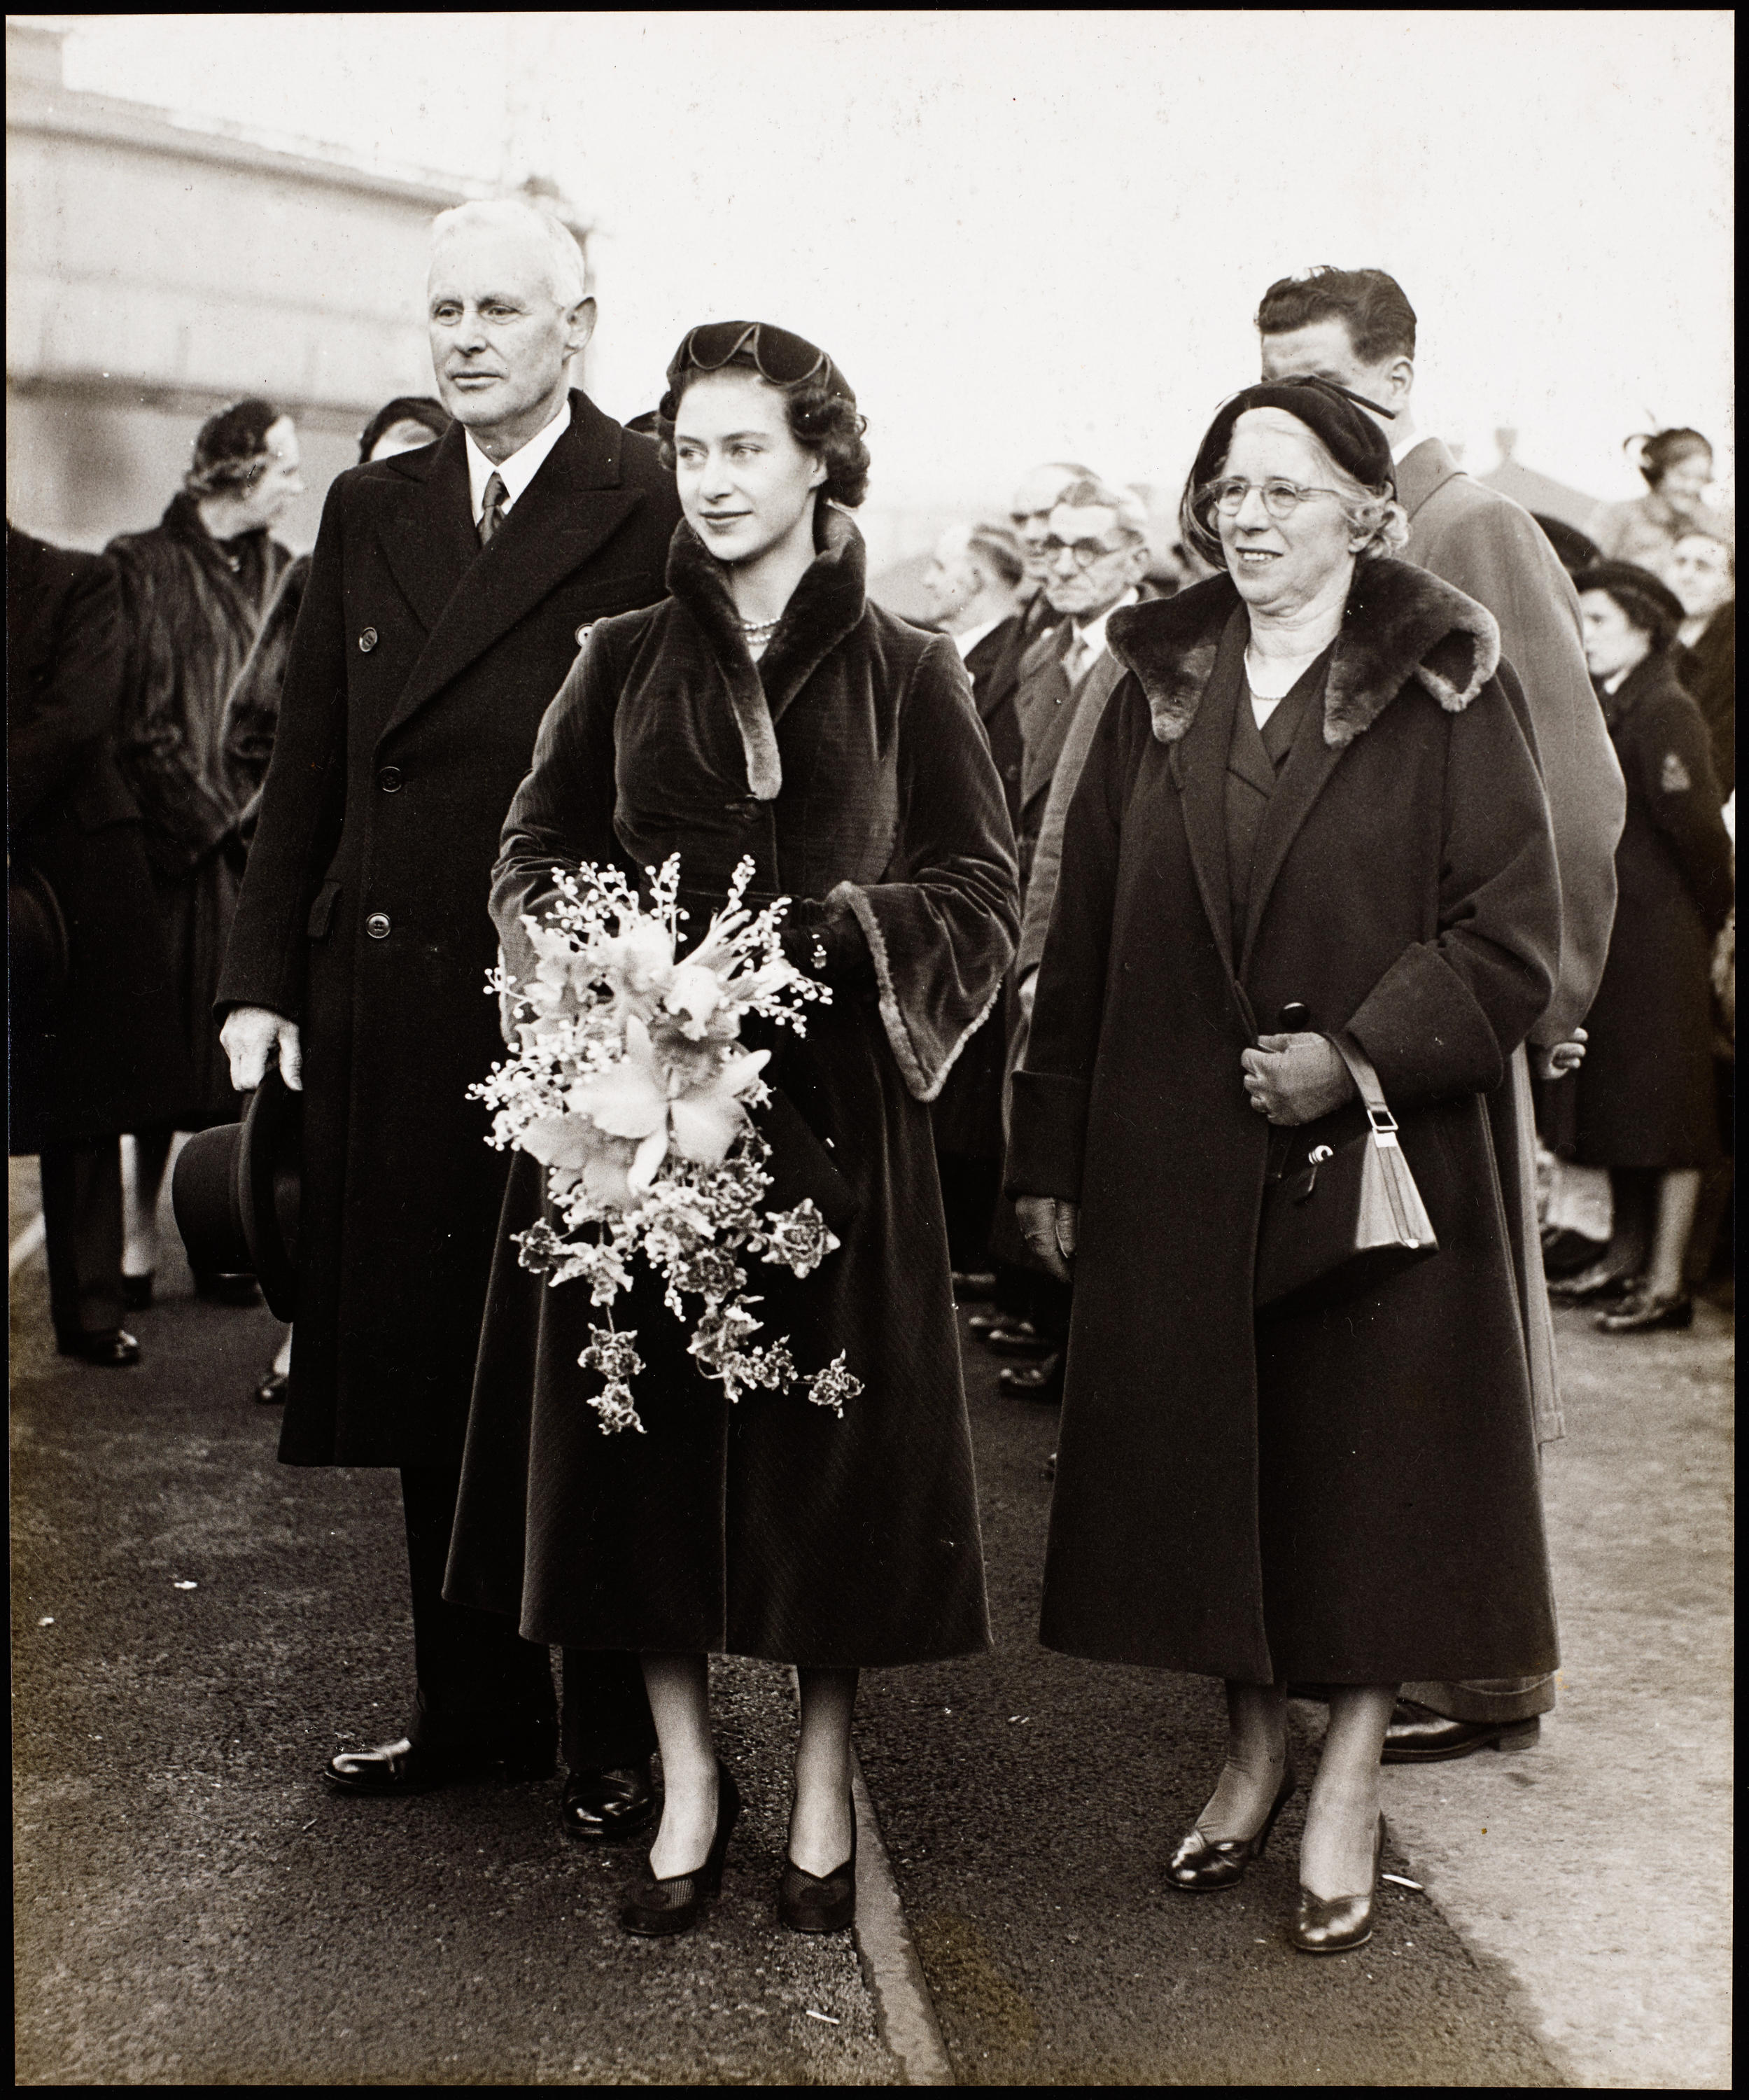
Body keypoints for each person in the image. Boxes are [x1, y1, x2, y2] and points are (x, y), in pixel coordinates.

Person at [444, 319, 1017, 1939]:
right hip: (637, 1128)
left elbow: (980, 894)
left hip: (834, 1134)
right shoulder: (616, 658)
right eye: (690, 450)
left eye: (745, 447)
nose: (711, 480)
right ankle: (691, 1776)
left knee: (825, 1475)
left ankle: (824, 1781)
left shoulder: (916, 670)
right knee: (640, 1458)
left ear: (823, 459)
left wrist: (843, 937)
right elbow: (530, 845)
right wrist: (595, 953)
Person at [1009, 378, 1563, 1955]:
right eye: (1226, 489)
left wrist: (1361, 1052)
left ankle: (1344, 1779)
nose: (1245, 517)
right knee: (1213, 1474)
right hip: (1179, 1160)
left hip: (1375, 1167)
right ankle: (1249, 1751)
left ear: (1365, 517)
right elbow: (1090, 937)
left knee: (1368, 1479)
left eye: (1285, 491)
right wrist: (1047, 1154)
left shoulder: (1447, 682)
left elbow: (1508, 934)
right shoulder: (1154, 680)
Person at [213, 199, 681, 1835]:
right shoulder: (372, 502)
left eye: (499, 307)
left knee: (586, 1361)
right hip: (397, 993)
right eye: (444, 311)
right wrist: (265, 975)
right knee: (428, 1359)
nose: (466, 335)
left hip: (574, 1003)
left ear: (578, 325)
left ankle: (621, 1726)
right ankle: (473, 1707)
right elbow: (316, 761)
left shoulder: (649, 498)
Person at [1256, 264, 1624, 1763]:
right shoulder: (1342, 530)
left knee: (1474, 1352)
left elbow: (1576, 791)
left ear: (1395, 383)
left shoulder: (1468, 525)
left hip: (1463, 1003)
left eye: (1319, 377)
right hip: (1380, 1011)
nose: (1290, 406)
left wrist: (1553, 1002)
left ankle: (1485, 1679)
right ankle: (1420, 1651)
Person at [218, 395, 452, 1408]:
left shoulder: (482, 577)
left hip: (447, 910)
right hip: (346, 903)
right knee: (324, 1143)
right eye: (393, 459)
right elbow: (262, 728)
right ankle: (307, 1329)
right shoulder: (330, 569)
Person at [106, 399, 303, 1309]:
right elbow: (139, 722)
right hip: (173, 848)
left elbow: (295, 723)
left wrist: (264, 828)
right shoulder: (140, 566)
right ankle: (139, 1239)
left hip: (257, 848)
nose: (298, 484)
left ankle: (224, 1226)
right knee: (153, 1066)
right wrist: (217, 820)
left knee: (238, 1061)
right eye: (284, 466)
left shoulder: (291, 577)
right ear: (239, 472)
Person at [981, 476, 1150, 1404]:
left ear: (1134, 558)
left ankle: (1091, 1366)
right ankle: (1068, 1342)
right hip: (1041, 922)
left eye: (1092, 549)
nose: (1068, 565)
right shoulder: (1053, 648)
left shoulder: (1142, 653)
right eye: (1057, 547)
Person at [8, 527, 195, 1366]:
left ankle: (89, 1311)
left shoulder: (76, 579)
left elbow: (77, 716)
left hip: (70, 860)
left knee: (75, 1095)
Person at [1554, 563, 1732, 1330]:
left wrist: (1713, 920)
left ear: (1644, 626)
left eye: (1597, 620)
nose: (1584, 634)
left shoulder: (1665, 709)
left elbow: (1699, 834)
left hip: (1664, 940)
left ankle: (1666, 1284)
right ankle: (1625, 1260)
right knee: (1626, 1102)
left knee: (1672, 1110)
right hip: (1624, 938)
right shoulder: (1618, 701)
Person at [920, 522, 1029, 1284]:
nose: (929, 582)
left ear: (984, 578)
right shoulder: (952, 653)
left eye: (943, 567)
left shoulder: (1009, 661)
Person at [1589, 428, 1734, 571]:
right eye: (1682, 476)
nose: (1691, 487)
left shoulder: (1708, 525)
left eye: (1700, 478)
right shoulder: (1618, 515)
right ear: (1660, 473)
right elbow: (1589, 566)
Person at [1665, 529, 1735, 792]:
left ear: (1730, 588)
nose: (1687, 576)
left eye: (1702, 567)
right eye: (1679, 562)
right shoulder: (1638, 637)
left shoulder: (1729, 667)